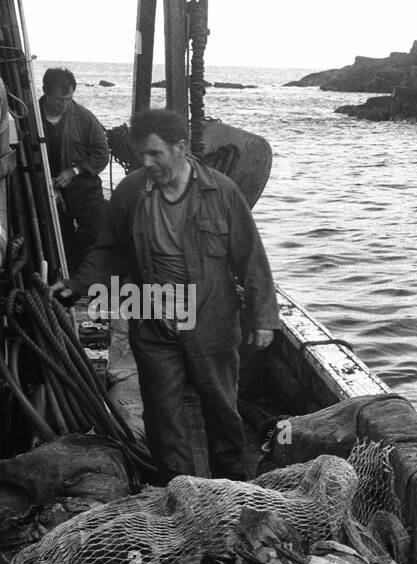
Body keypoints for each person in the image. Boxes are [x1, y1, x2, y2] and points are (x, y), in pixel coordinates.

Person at [53, 108, 279, 483]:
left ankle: (235, 488)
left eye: (155, 153)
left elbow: (250, 256)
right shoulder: (131, 191)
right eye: (141, 153)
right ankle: (175, 490)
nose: (146, 162)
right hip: (153, 320)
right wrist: (77, 284)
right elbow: (109, 249)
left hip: (211, 320)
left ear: (181, 148)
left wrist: (263, 318)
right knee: (162, 416)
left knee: (221, 409)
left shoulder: (222, 192)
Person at [39, 68, 110, 271]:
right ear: (45, 91)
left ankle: (94, 279)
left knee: (101, 236)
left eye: (69, 99)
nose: (65, 104)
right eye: (60, 99)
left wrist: (75, 171)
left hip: (84, 192)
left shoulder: (85, 118)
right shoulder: (30, 117)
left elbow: (101, 154)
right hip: (48, 193)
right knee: (59, 243)